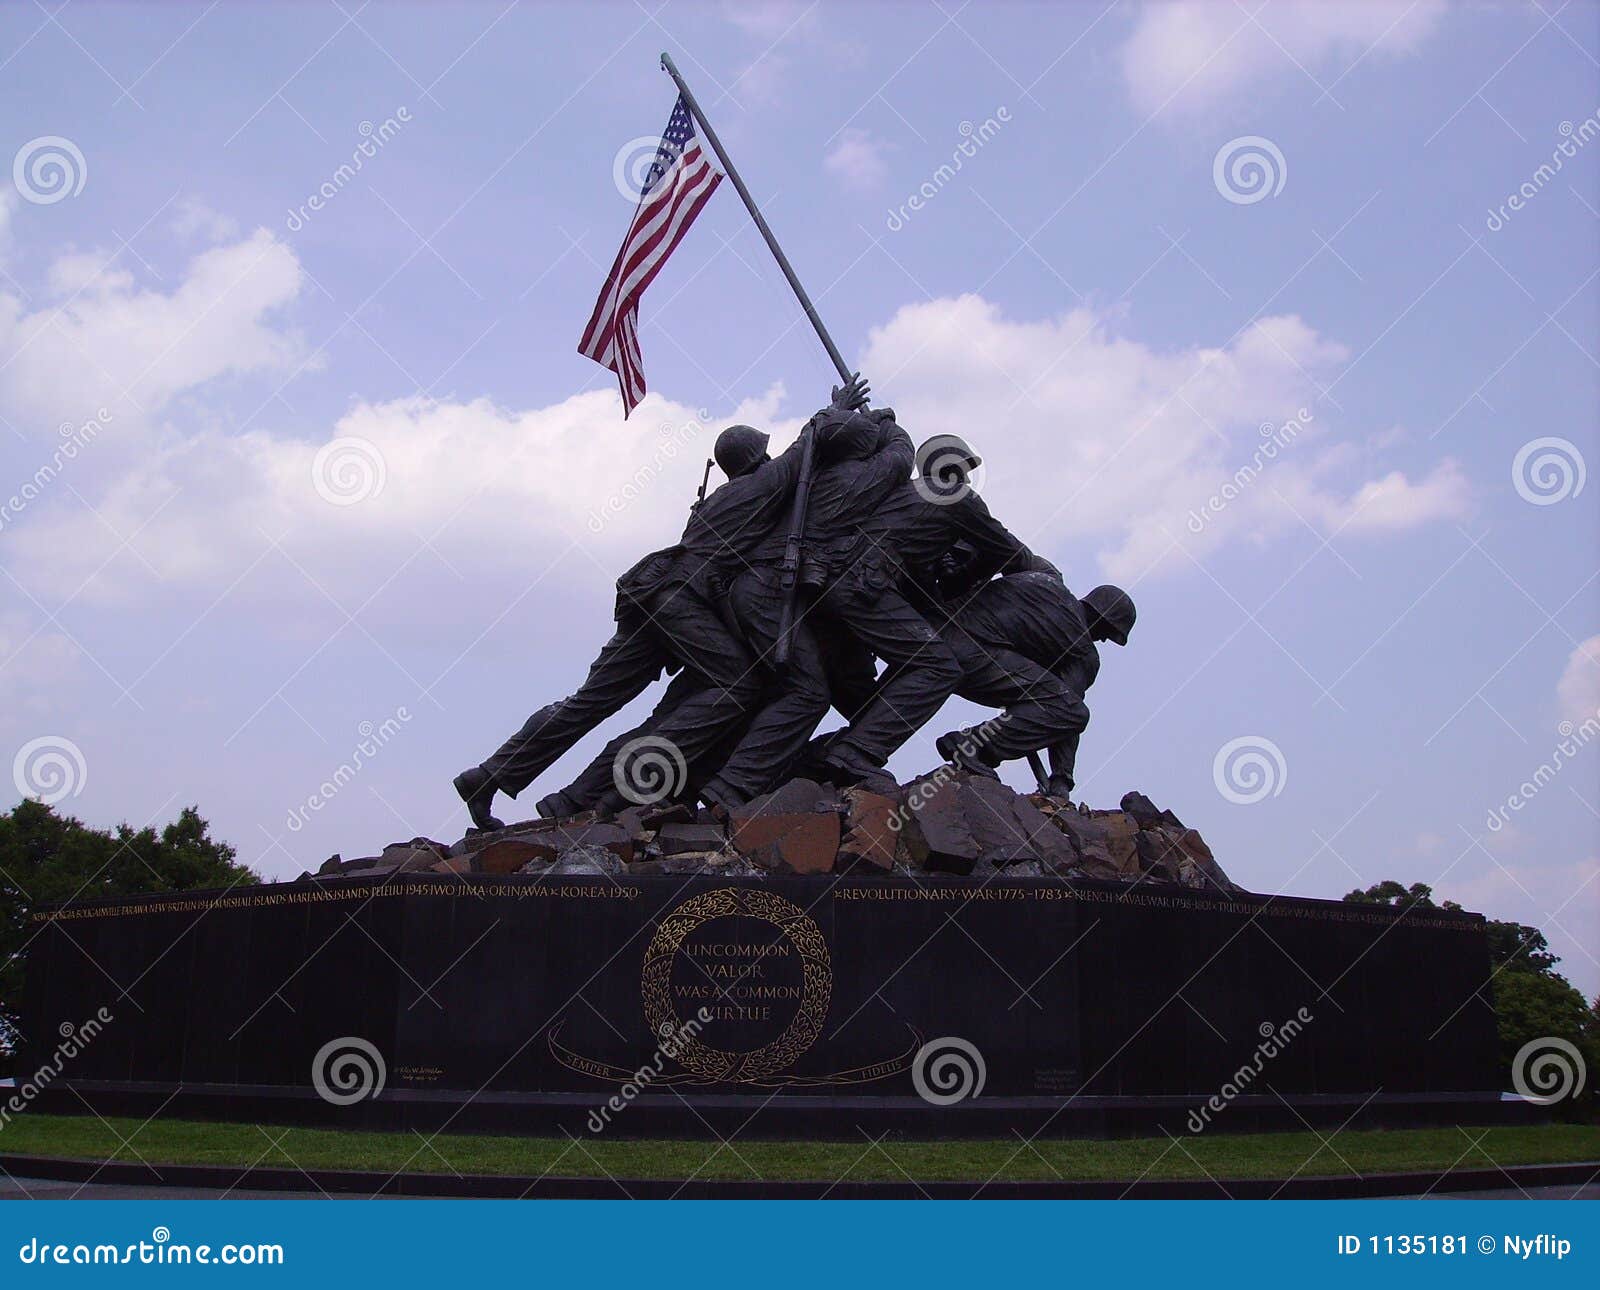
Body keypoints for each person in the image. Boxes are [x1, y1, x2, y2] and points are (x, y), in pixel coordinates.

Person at [452, 381, 871, 829]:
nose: (770, 459)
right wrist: (834, 409)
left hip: (649, 595)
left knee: (587, 703)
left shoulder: (717, 500)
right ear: (757, 458)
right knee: (735, 688)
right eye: (765, 454)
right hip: (679, 601)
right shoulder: (757, 487)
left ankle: (491, 775)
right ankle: (629, 777)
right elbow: (802, 453)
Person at [804, 433, 1054, 789]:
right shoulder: (957, 497)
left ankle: (828, 751)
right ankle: (855, 752)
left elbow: (919, 573)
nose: (968, 478)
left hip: (840, 579)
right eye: (966, 469)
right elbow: (1006, 552)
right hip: (863, 585)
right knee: (938, 667)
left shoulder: (906, 493)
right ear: (956, 469)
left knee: (885, 684)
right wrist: (978, 582)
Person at [934, 574, 1136, 801]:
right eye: (1108, 633)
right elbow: (1067, 710)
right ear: (1102, 620)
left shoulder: (1045, 583)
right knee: (1074, 712)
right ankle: (971, 745)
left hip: (936, 631)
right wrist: (1061, 779)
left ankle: (975, 748)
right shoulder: (1083, 650)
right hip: (971, 655)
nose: (1104, 640)